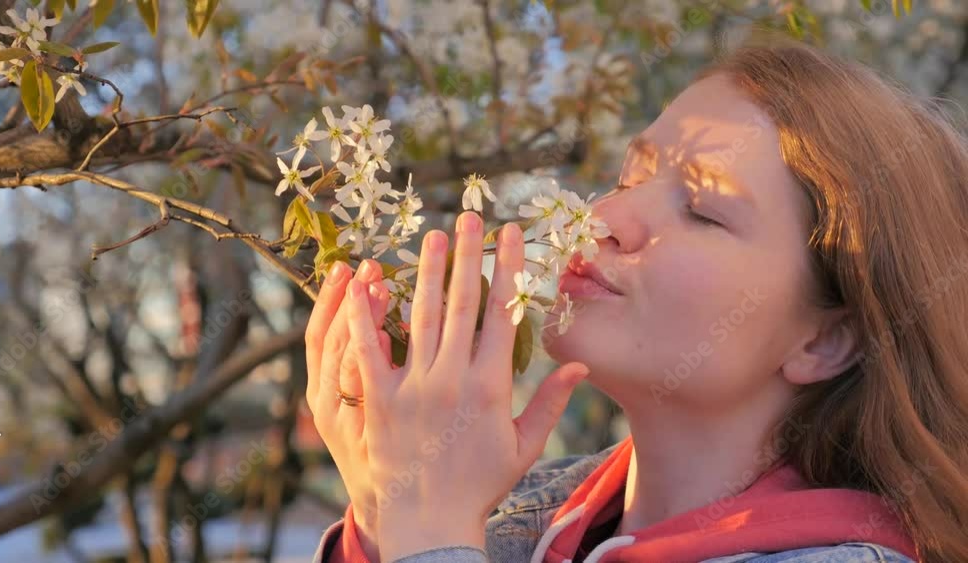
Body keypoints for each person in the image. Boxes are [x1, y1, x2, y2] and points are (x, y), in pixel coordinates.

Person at [304, 33, 968, 563]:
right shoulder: (521, 511)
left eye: (703, 211)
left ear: (825, 339)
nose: (608, 216)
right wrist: (383, 514)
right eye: (633, 174)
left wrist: (432, 532)